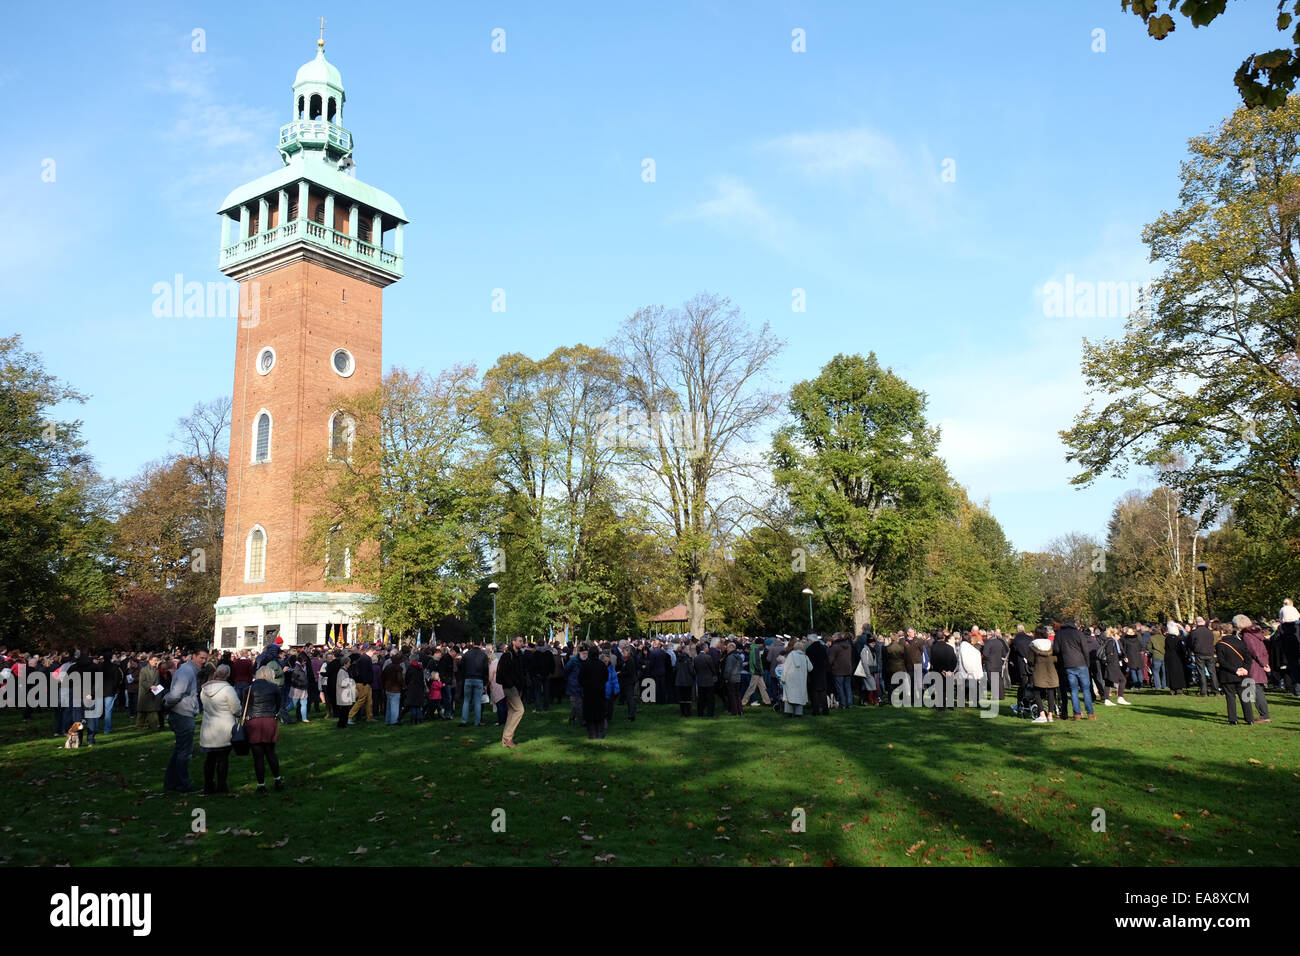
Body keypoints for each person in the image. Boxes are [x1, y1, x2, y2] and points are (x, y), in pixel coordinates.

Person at [160, 646, 207, 793]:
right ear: (193, 656)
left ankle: (171, 783)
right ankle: (182, 784)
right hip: (182, 714)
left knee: (180, 750)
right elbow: (175, 694)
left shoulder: (189, 671)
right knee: (184, 752)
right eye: (201, 658)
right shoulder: (187, 671)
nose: (203, 661)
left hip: (183, 712)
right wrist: (166, 703)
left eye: (205, 658)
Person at [199, 664, 241, 794]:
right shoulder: (228, 690)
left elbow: (204, 706)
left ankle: (208, 785)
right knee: (222, 758)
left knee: (210, 759)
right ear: (227, 675)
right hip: (224, 727)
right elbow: (236, 709)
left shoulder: (204, 689)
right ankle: (221, 785)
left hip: (209, 726)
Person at [245, 665, 285, 792]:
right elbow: (278, 704)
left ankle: (261, 784)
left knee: (258, 756)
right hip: (269, 720)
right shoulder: (274, 687)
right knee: (270, 752)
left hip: (253, 721)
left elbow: (244, 705)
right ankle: (277, 779)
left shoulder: (249, 688)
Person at [1055, 622, 1095, 720]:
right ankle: (1090, 713)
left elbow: (1056, 649)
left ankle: (1077, 714)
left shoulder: (1059, 634)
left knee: (1074, 691)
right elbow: (1085, 649)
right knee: (1086, 690)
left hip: (1068, 664)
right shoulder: (1078, 633)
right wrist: (1087, 663)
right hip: (1081, 663)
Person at [1235, 615, 1271, 723]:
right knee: (1256, 690)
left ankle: (1264, 715)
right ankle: (1263, 714)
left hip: (1254, 666)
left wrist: (1263, 663)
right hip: (1259, 664)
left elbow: (1254, 651)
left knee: (1255, 691)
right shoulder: (1255, 634)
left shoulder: (1247, 636)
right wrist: (1265, 663)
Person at [497, 635, 527, 748]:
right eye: (519, 641)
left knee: (512, 712)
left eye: (522, 641)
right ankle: (507, 737)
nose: (521, 643)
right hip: (510, 687)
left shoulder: (519, 655)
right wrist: (511, 684)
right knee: (520, 710)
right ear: (513, 642)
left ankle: (506, 739)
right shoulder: (507, 655)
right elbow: (503, 673)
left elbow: (520, 671)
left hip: (517, 687)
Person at [578, 644, 607, 739]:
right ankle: (599, 733)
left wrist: (586, 685)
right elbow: (605, 677)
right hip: (599, 691)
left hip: (589, 692)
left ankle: (592, 733)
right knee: (599, 712)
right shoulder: (601, 665)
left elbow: (580, 679)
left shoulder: (585, 665)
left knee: (590, 713)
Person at [1028, 632, 1059, 723]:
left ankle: (1042, 714)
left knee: (1036, 692)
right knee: (1051, 692)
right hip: (1051, 671)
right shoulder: (1051, 645)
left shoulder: (1033, 646)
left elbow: (1030, 660)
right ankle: (1050, 715)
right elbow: (1056, 658)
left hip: (1039, 671)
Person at [1189, 617, 1220, 696]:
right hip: (1210, 653)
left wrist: (1194, 650)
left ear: (1197, 623)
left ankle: (1204, 691)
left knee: (1201, 673)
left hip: (1199, 654)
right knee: (1212, 672)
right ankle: (1216, 691)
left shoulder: (1194, 632)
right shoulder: (1210, 632)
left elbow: (1191, 643)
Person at [460, 641, 489, 727]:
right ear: (480, 645)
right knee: (477, 702)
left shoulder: (466, 654)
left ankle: (464, 721)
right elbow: (485, 670)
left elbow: (462, 667)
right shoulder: (483, 655)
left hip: (468, 679)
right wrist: (486, 683)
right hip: (479, 679)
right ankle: (477, 722)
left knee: (466, 701)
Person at [781, 641, 811, 717]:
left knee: (789, 696)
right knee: (800, 696)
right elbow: (810, 668)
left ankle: (789, 712)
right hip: (801, 680)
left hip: (790, 679)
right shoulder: (805, 656)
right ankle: (798, 713)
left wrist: (783, 678)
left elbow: (786, 667)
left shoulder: (791, 655)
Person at [136, 654, 164, 731]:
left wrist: (157, 688)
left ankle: (154, 727)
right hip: (145, 693)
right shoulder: (143, 670)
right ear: (150, 660)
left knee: (153, 711)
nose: (156, 662)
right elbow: (142, 682)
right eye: (155, 660)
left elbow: (157, 681)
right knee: (142, 712)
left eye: (157, 660)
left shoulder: (156, 670)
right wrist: (150, 686)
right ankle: (139, 726)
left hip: (154, 693)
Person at [694, 640, 718, 717]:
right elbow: (712, 669)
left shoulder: (696, 658)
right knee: (710, 698)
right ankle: (710, 713)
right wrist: (714, 675)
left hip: (700, 680)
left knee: (701, 698)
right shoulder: (708, 657)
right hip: (708, 680)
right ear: (705, 648)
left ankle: (700, 712)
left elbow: (695, 669)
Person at [674, 646, 695, 716]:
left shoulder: (678, 659)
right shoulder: (688, 659)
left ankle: (682, 712)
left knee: (682, 698)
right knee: (688, 697)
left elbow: (675, 669)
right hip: (687, 681)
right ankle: (688, 712)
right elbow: (691, 671)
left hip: (679, 681)